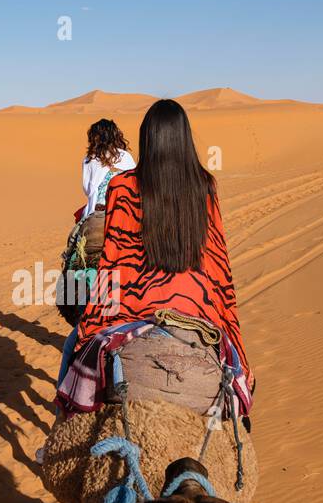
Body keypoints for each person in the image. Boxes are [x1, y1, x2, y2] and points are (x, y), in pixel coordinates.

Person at [66, 98, 251, 394]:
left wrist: (90, 327)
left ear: (146, 139)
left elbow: (113, 261)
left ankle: (66, 419)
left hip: (132, 309)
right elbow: (218, 265)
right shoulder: (205, 186)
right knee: (237, 380)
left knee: (74, 351)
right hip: (196, 306)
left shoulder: (122, 187)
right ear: (185, 139)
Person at [79, 119, 135, 219]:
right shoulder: (126, 156)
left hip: (97, 209)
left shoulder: (89, 159)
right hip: (126, 208)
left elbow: (87, 189)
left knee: (76, 232)